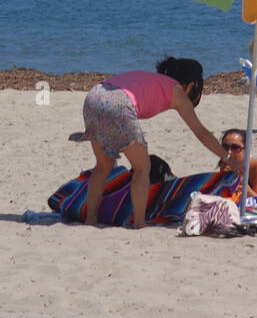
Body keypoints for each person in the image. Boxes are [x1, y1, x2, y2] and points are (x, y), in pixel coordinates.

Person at [74, 57, 226, 228]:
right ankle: (139, 222)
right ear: (190, 85)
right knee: (142, 167)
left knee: (103, 166)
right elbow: (202, 133)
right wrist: (227, 157)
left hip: (93, 97)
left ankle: (91, 219)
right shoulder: (176, 90)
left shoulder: (154, 79)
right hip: (119, 103)